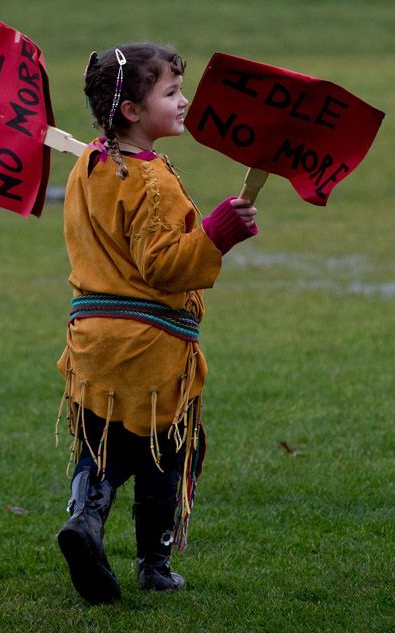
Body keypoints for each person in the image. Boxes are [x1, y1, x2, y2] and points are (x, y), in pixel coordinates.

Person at [55, 43, 258, 605]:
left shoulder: (88, 164)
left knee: (100, 445)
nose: (183, 101)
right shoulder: (150, 181)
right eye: (170, 93)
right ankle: (155, 565)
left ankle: (86, 521)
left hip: (91, 343)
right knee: (167, 451)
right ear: (132, 111)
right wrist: (217, 233)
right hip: (149, 349)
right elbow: (164, 266)